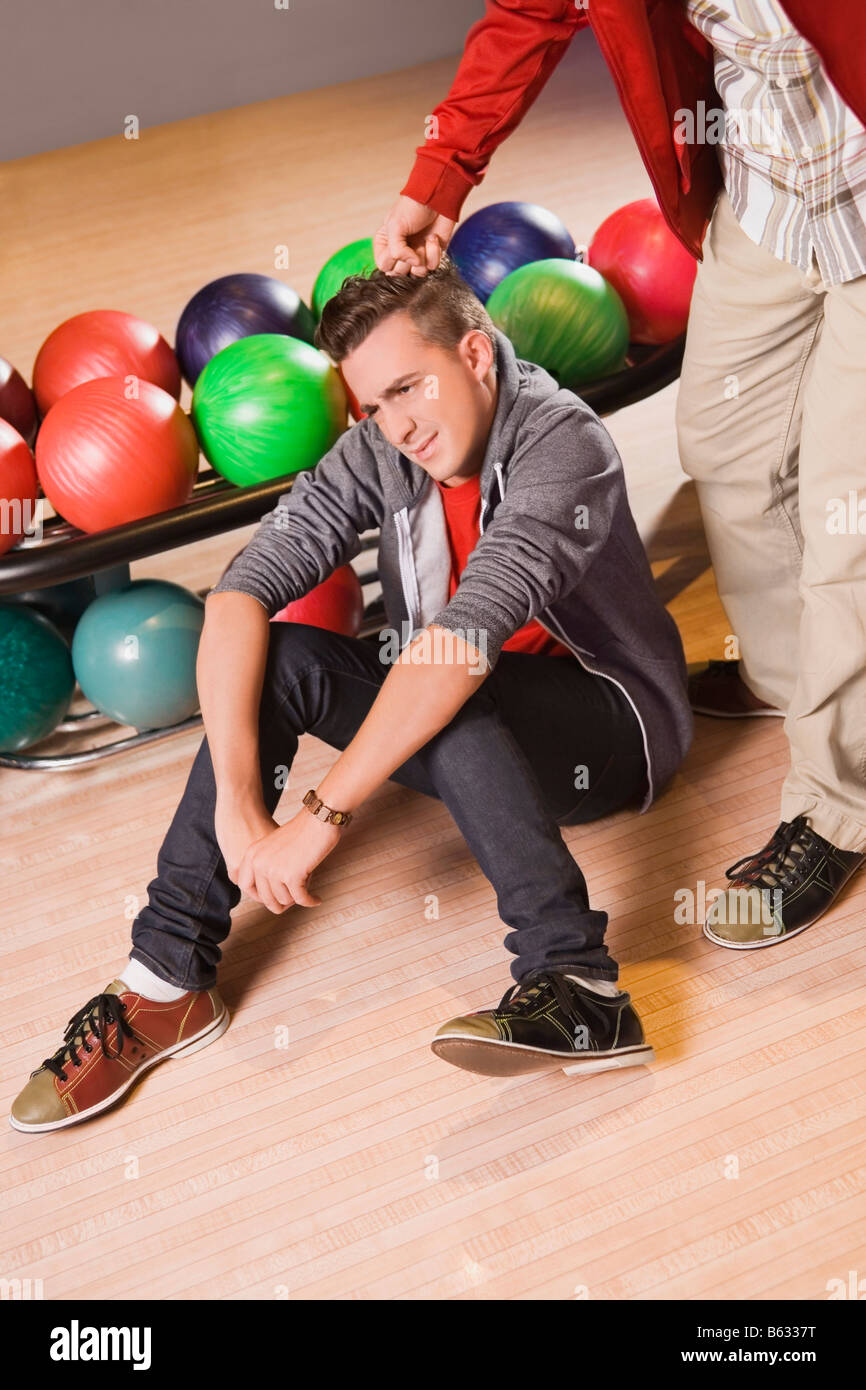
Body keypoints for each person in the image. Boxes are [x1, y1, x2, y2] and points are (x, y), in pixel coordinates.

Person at [10, 256, 693, 1133]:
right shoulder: (383, 447)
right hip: (464, 699)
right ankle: (166, 979)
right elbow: (238, 596)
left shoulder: (564, 443)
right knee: (286, 654)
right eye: (376, 404)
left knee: (451, 682)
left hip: (610, 728)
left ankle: (580, 984)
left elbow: (457, 647)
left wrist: (317, 819)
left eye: (411, 388)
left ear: (477, 356)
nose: (397, 426)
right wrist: (241, 809)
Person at [374, 0, 866, 951]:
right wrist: (443, 175)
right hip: (771, 186)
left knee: (848, 518)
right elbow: (532, 9)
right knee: (728, 450)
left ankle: (840, 802)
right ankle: (799, 677)